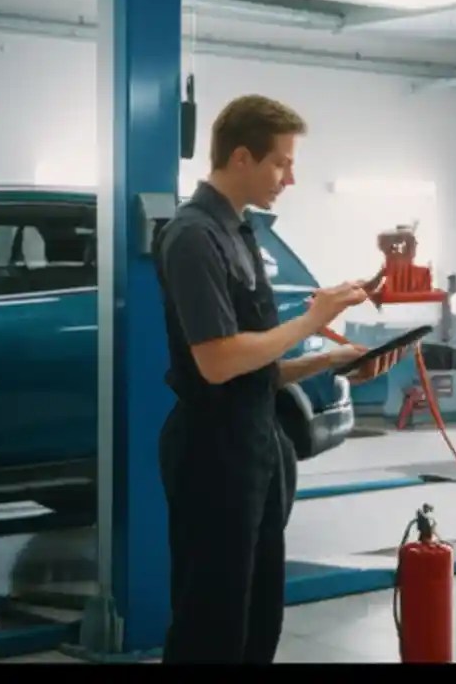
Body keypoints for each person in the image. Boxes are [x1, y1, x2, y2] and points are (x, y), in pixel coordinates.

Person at [152, 94, 397, 664]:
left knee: (258, 620)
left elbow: (251, 366)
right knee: (210, 626)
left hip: (256, 444)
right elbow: (215, 362)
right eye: (282, 162)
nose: (291, 176)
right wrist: (313, 319)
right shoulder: (193, 237)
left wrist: (326, 362)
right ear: (242, 158)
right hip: (212, 453)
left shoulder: (240, 233)